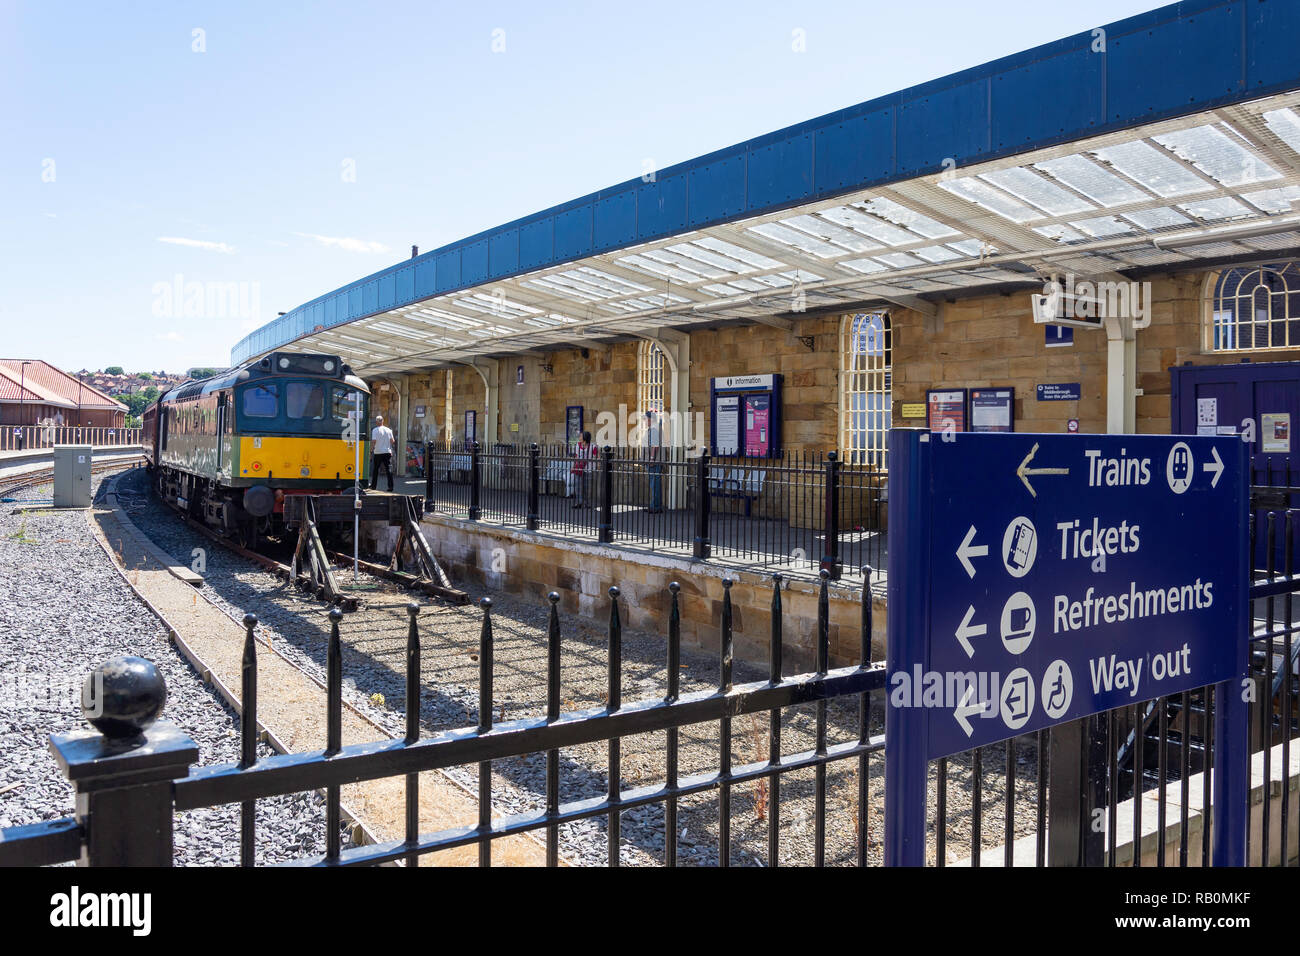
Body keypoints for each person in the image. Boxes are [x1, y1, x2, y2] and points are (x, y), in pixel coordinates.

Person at [643, 410, 663, 513]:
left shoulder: (654, 429)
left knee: (654, 484)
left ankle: (655, 506)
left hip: (654, 462)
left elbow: (655, 445)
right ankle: (655, 505)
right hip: (655, 461)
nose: (645, 421)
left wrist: (651, 459)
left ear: (650, 419)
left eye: (646, 419)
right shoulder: (655, 428)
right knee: (655, 483)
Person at [370, 414, 395, 492]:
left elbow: (374, 441)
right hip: (387, 452)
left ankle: (373, 486)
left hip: (378, 452)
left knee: (376, 470)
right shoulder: (389, 430)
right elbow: (392, 441)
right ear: (383, 421)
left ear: (376, 422)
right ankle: (390, 487)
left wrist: (371, 450)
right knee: (388, 469)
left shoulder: (375, 430)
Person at [571, 431, 594, 508]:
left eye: (581, 436)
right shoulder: (578, 445)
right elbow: (576, 456)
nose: (579, 438)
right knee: (577, 486)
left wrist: (597, 465)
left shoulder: (593, 446)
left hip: (588, 468)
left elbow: (596, 457)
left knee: (586, 487)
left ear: (585, 437)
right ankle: (579, 502)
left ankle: (587, 503)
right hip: (579, 468)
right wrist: (574, 466)